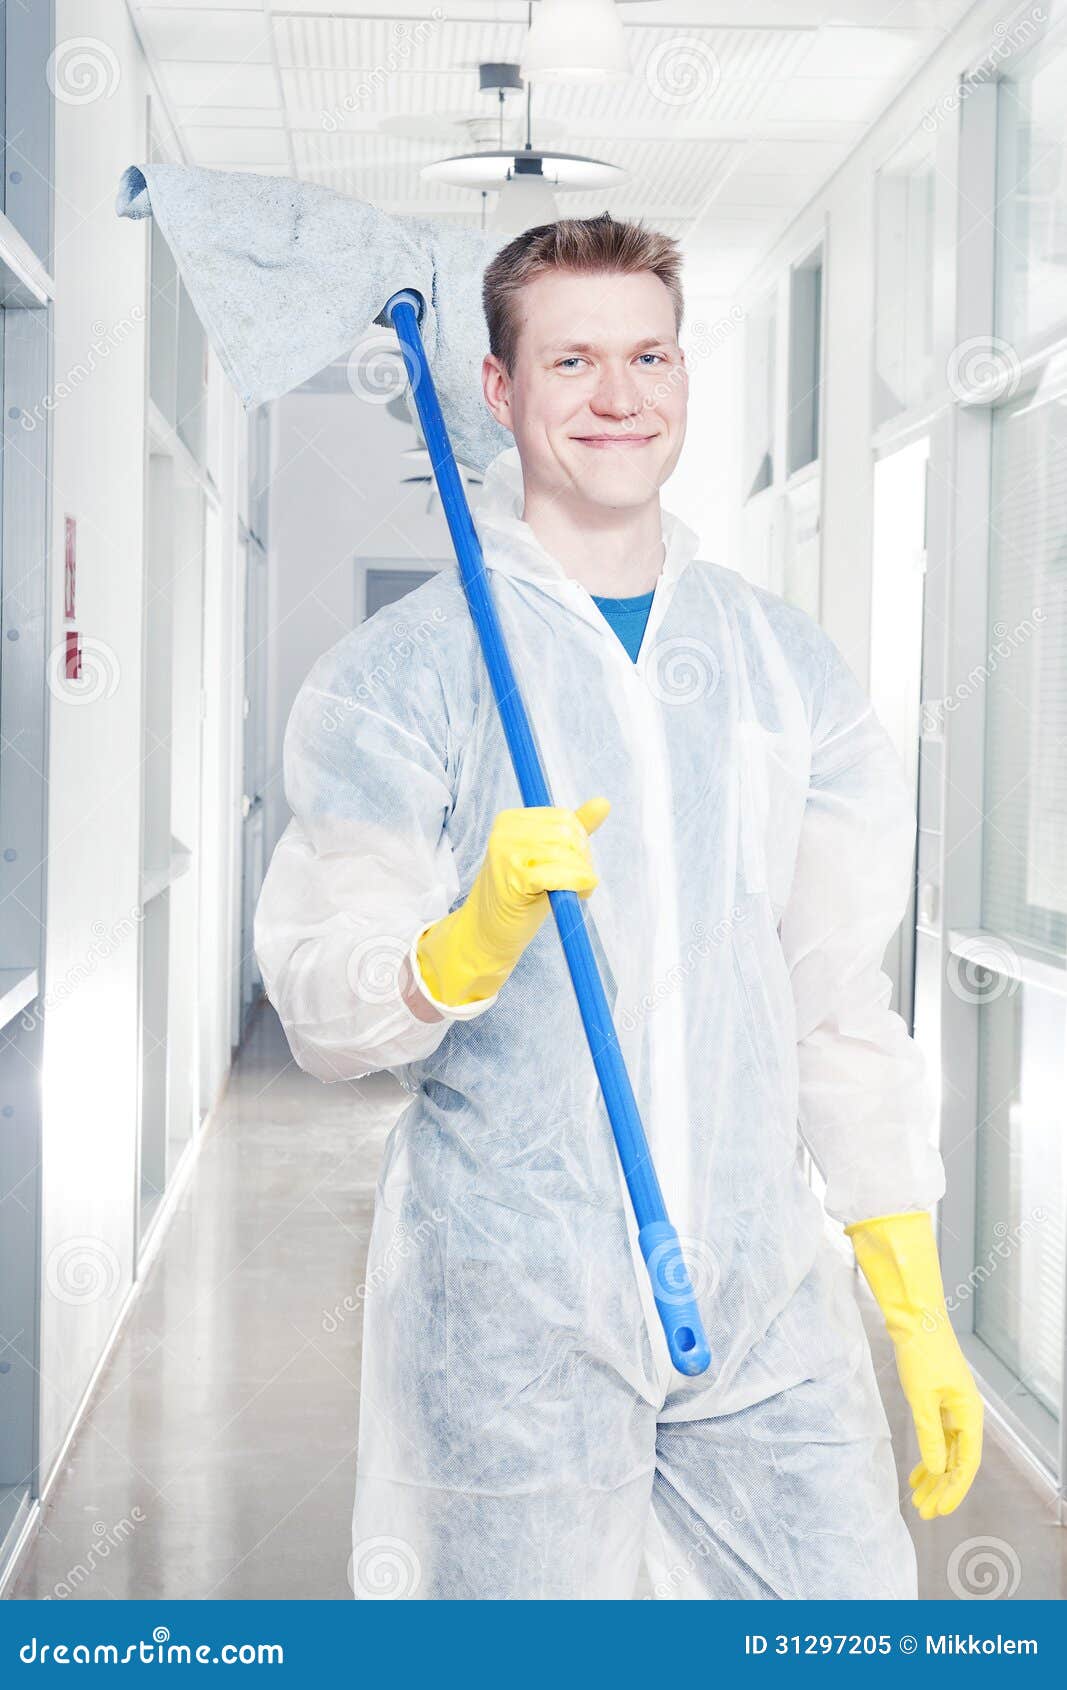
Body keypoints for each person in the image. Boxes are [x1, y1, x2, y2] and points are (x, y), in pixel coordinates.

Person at [253, 213, 982, 1601]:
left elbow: (831, 1004)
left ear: (686, 379)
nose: (618, 395)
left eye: (650, 355)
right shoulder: (406, 675)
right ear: (499, 388)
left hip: (765, 1298)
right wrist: (461, 940)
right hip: (516, 1310)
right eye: (573, 358)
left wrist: (913, 1296)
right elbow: (324, 1003)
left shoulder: (783, 669)